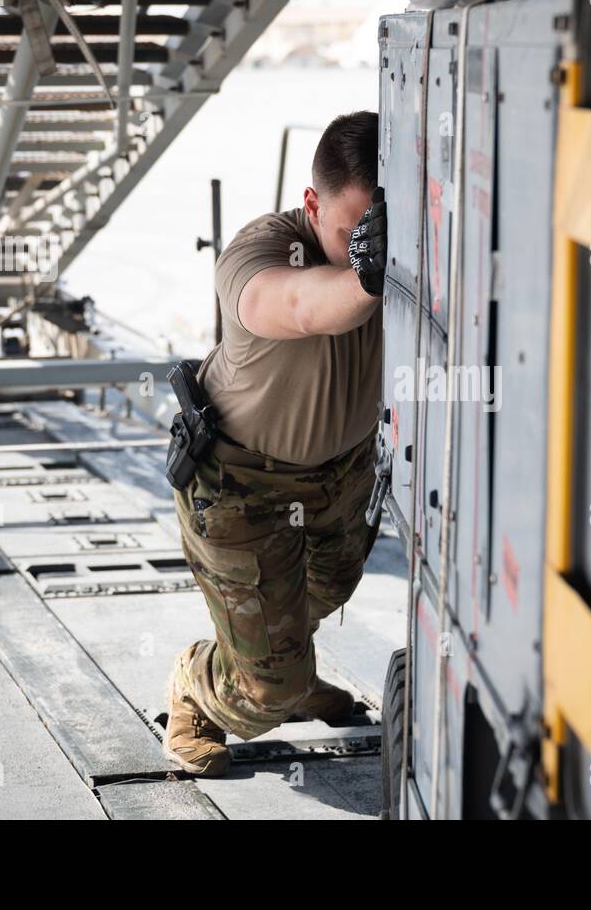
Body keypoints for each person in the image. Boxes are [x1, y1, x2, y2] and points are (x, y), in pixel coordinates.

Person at [164, 111, 388, 776]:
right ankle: (200, 686)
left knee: (328, 588)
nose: (364, 245)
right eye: (353, 231)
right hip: (244, 493)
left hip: (341, 477)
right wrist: (371, 270)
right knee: (268, 689)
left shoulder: (404, 240)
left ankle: (282, 654)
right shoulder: (258, 253)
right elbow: (293, 307)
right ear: (312, 203)